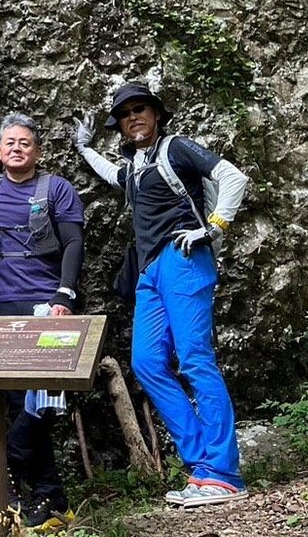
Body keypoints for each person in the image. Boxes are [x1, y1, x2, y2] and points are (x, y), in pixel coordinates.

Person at [74, 81, 250, 507]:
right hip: (149, 271)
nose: (133, 117)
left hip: (183, 258)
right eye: (124, 114)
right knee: (147, 362)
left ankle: (224, 472)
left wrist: (214, 227)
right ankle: (202, 466)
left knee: (194, 358)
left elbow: (233, 177)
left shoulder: (176, 149)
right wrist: (83, 148)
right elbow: (109, 173)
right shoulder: (135, 167)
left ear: (156, 114)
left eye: (140, 109)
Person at [0, 113, 84, 528]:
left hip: (47, 305)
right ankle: (51, 498)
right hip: (1, 307)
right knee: (16, 400)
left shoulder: (57, 189)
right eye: (9, 142)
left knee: (42, 401)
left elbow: (74, 242)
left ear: (38, 151)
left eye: (25, 142)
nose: (16, 148)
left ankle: (7, 463)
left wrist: (65, 294)